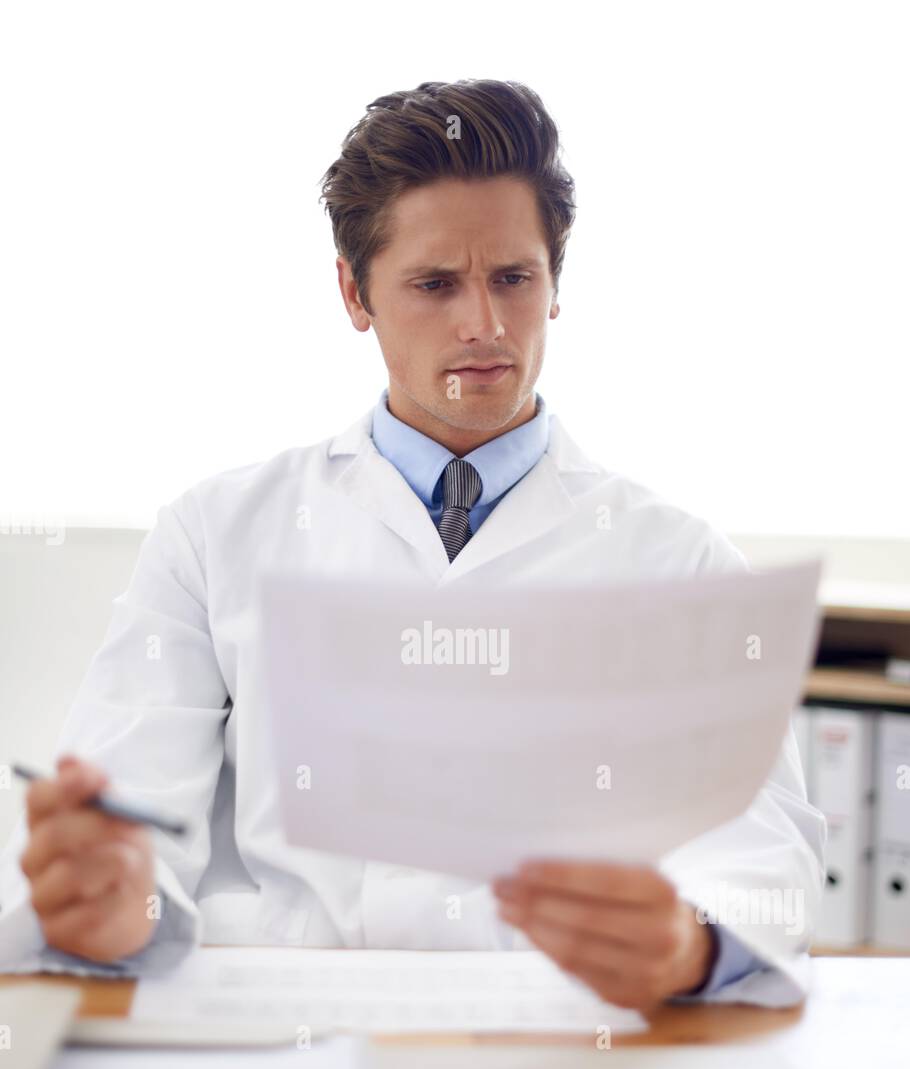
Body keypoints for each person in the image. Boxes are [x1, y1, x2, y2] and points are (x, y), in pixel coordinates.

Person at [0, 79, 825, 1009]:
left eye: (514, 277)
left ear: (556, 283)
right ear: (355, 292)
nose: (484, 324)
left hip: (552, 1046)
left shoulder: (680, 561)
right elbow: (127, 813)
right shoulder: (214, 532)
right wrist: (115, 902)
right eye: (435, 284)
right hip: (278, 1031)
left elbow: (764, 852)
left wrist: (691, 942)